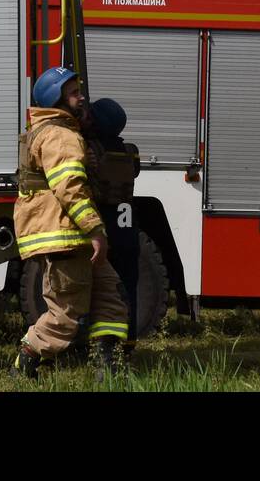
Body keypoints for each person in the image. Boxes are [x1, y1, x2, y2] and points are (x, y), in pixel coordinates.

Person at [12, 67, 129, 380]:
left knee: (109, 297)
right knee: (65, 315)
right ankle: (25, 363)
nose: (82, 98)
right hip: (65, 234)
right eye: (74, 93)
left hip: (71, 234)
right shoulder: (60, 135)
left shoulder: (62, 132)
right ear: (56, 99)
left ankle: (108, 367)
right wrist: (94, 229)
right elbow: (70, 188)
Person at [85, 98, 142, 353]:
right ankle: (128, 344)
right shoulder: (130, 151)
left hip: (105, 226)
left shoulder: (92, 149)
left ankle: (99, 344)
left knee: (102, 291)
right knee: (128, 287)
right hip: (127, 227)